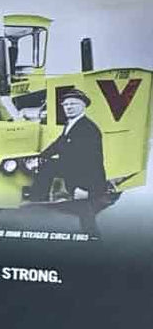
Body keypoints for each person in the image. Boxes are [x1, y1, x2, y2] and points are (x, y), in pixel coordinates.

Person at [26, 88, 107, 231]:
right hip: (71, 168)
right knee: (46, 166)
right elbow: (59, 143)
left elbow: (91, 161)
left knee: (85, 210)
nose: (68, 107)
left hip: (85, 177)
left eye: (73, 104)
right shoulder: (71, 124)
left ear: (83, 106)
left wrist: (85, 188)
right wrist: (40, 157)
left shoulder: (88, 129)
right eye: (66, 105)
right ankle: (37, 199)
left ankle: (92, 238)